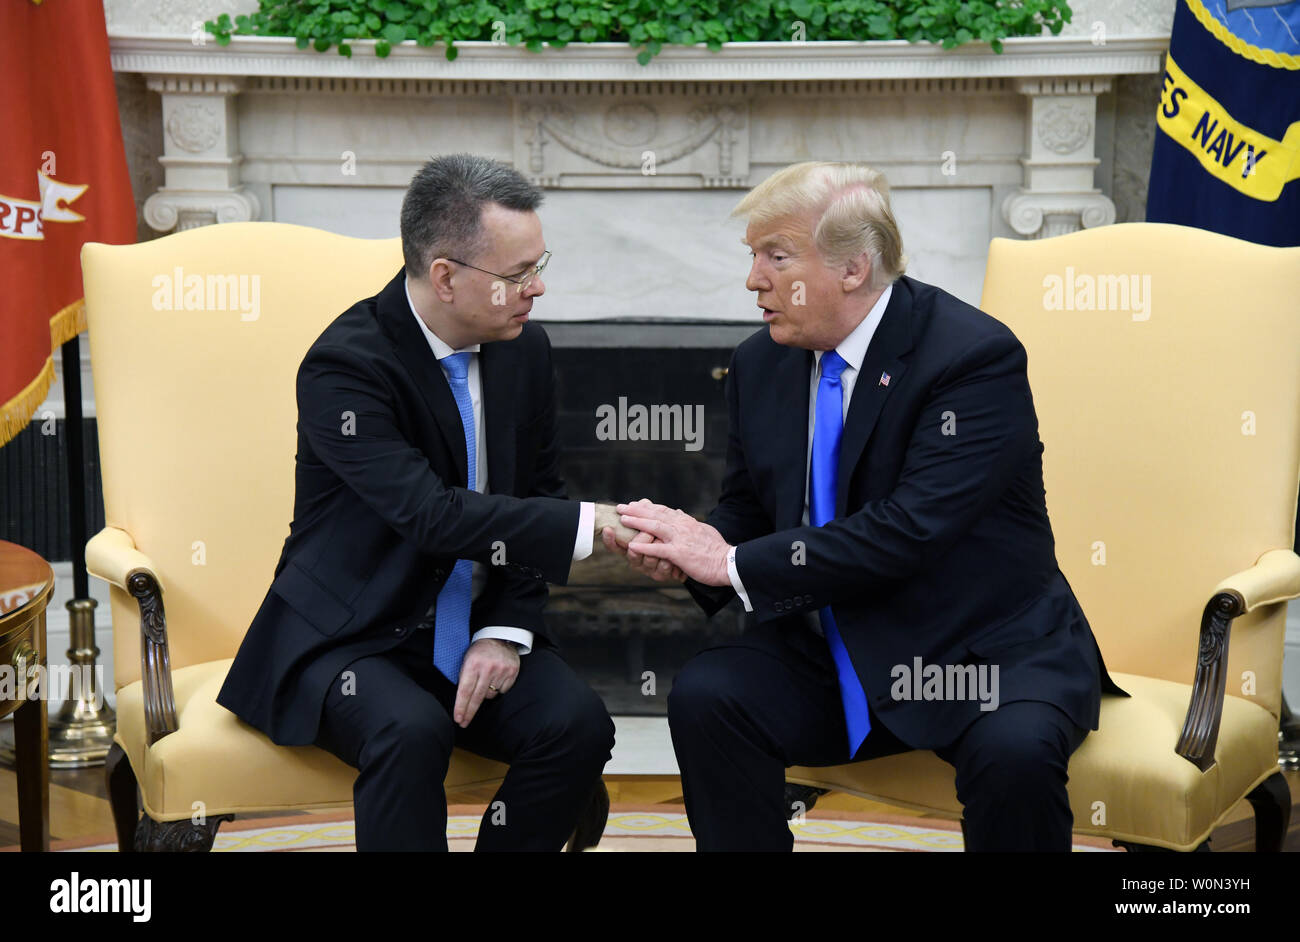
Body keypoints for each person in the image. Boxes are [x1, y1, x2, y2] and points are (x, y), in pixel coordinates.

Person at [610, 161, 1129, 852]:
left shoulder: (972, 358)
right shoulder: (761, 363)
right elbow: (748, 511)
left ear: (853, 268)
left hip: (977, 653)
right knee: (709, 696)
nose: (753, 280)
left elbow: (909, 531)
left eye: (776, 257)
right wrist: (687, 548)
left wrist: (729, 563)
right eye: (753, 256)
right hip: (833, 652)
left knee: (1015, 758)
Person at [216, 153, 636, 851]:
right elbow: (430, 515)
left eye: (539, 265)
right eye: (517, 275)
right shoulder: (347, 367)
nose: (538, 288)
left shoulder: (524, 350)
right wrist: (594, 525)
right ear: (445, 276)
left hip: (475, 624)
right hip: (355, 635)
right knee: (410, 730)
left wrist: (505, 630)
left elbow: (537, 495)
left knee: (578, 725)